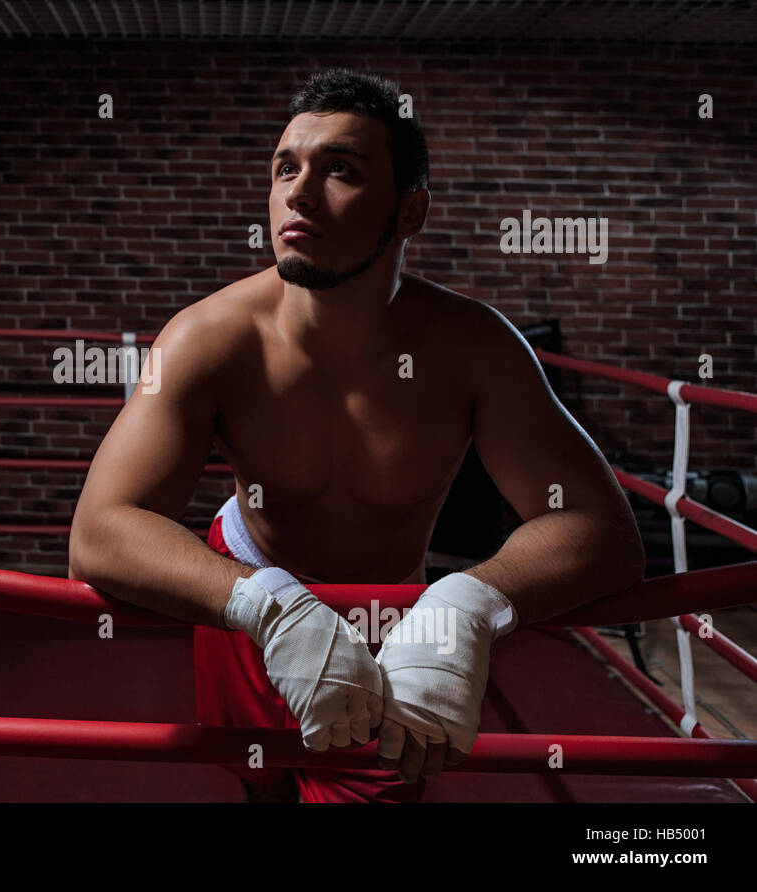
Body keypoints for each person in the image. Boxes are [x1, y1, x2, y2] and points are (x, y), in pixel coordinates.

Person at [67, 68, 645, 802]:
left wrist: (465, 606)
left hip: (395, 626)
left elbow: (602, 531)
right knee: (259, 783)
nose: (299, 193)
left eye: (339, 170)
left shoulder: (474, 348)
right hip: (247, 599)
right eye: (285, 168)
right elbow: (99, 530)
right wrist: (267, 605)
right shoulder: (207, 338)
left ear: (410, 212)